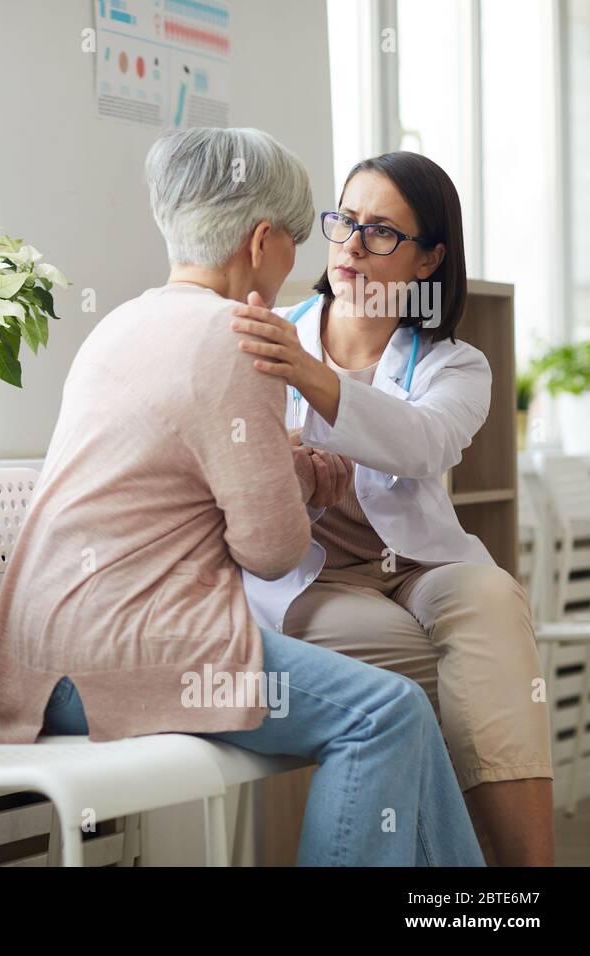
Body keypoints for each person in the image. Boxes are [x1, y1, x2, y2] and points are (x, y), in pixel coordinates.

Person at [0, 127, 484, 865]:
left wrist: (290, 471)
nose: (305, 264)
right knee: (385, 714)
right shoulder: (240, 336)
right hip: (120, 653)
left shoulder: (121, 321)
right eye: (296, 240)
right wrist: (309, 477)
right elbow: (274, 550)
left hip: (40, 654)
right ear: (261, 242)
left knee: (398, 710)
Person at [230, 151, 554, 865]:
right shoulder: (269, 333)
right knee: (472, 677)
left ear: (429, 258)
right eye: (345, 221)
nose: (351, 246)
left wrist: (310, 384)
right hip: (316, 581)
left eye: (381, 232)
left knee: (492, 598)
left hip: (418, 567)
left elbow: (421, 443)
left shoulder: (454, 363)